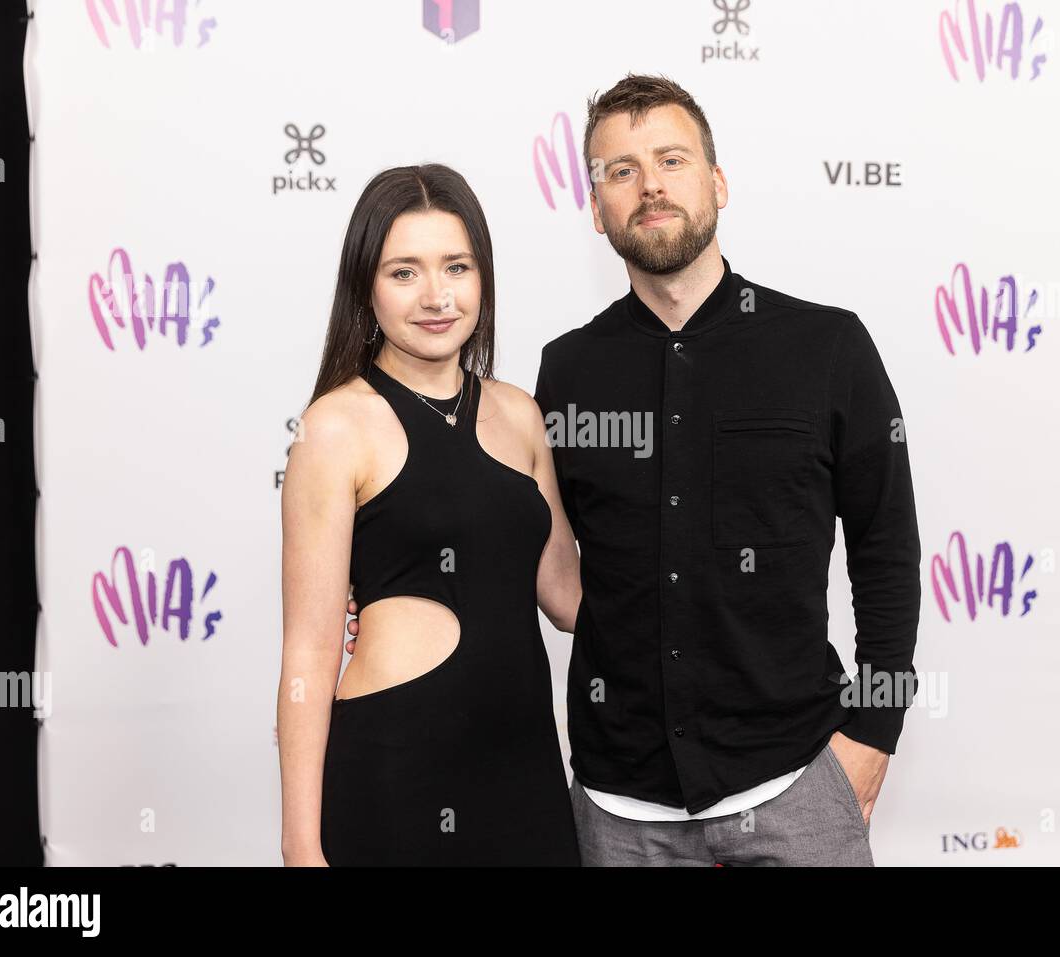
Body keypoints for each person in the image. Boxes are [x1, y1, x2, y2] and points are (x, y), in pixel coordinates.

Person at [344, 74, 922, 867]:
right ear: (596, 208)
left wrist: (874, 732)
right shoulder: (569, 372)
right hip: (619, 810)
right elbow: (533, 558)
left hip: (795, 782)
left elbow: (887, 551)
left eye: (671, 160)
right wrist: (385, 590)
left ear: (717, 182)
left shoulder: (827, 348)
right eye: (620, 170)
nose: (649, 185)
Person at [278, 163, 582, 866]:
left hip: (526, 772)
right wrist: (300, 845)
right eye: (404, 272)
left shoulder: (520, 415)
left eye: (456, 266)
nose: (437, 296)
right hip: (395, 771)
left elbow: (569, 598)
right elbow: (308, 652)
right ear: (367, 286)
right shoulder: (335, 427)